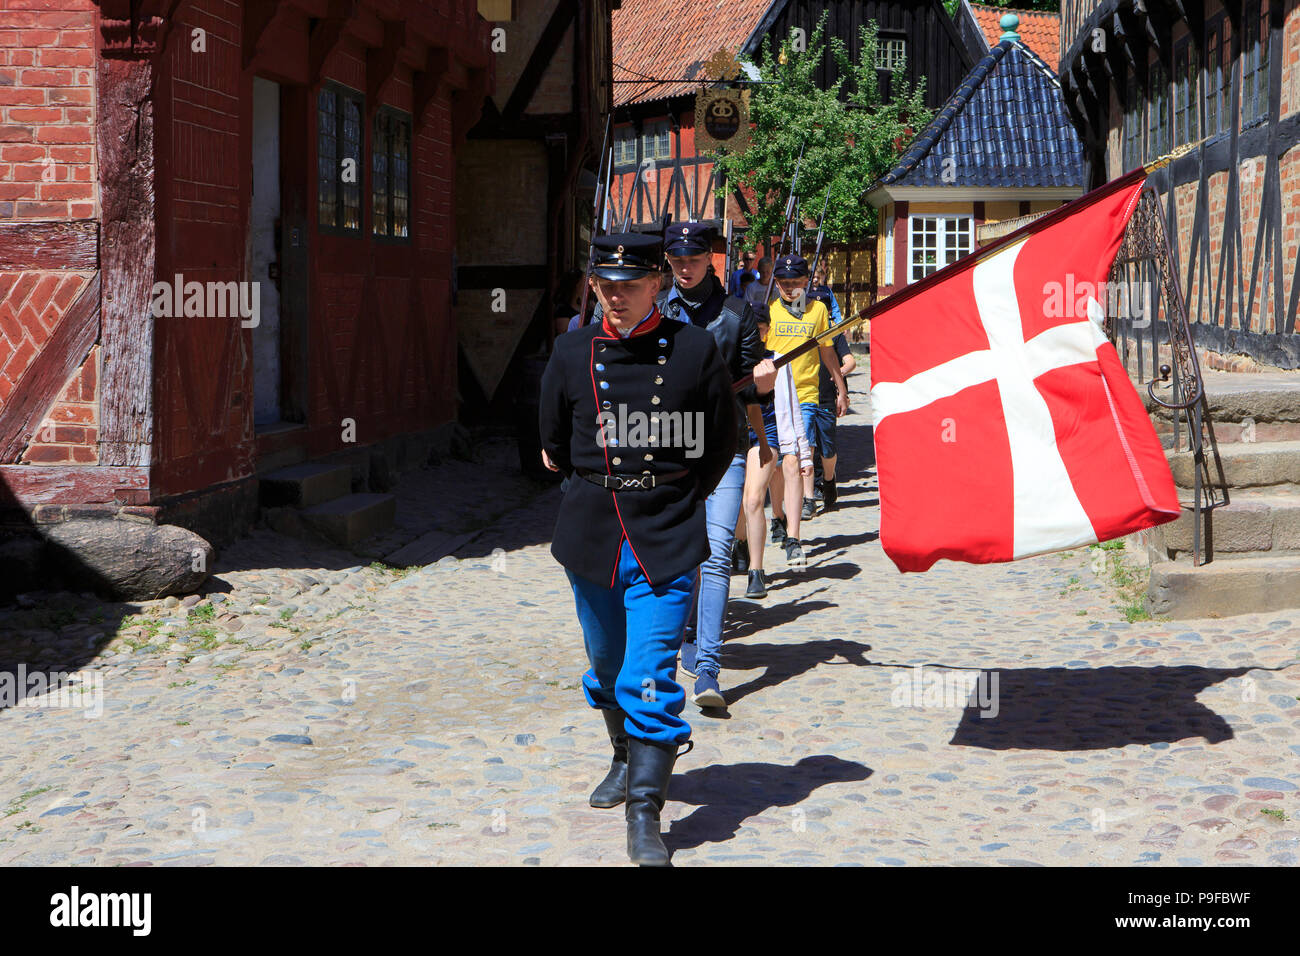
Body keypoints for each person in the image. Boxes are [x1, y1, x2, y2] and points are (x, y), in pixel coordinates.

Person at [538, 232, 738, 867]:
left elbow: (717, 446)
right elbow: (551, 446)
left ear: (659, 283)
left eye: (629, 285)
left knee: (647, 676)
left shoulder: (695, 349)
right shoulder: (572, 352)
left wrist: (671, 498)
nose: (615, 297)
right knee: (605, 668)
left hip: (665, 533)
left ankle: (645, 812)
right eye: (605, 285)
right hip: (592, 533)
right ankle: (624, 757)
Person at [658, 222, 775, 711]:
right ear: (669, 262)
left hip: (722, 448)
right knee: (676, 555)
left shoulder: (737, 313)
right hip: (667, 449)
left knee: (717, 552)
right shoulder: (656, 309)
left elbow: (751, 386)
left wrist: (763, 383)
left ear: (712, 260)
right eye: (677, 260)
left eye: (694, 259)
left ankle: (708, 666)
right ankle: (676, 643)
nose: (685, 268)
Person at [763, 254, 849, 554]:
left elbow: (828, 353)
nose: (790, 289)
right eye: (784, 284)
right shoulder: (769, 310)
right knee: (774, 463)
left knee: (799, 459)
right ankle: (777, 515)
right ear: (776, 283)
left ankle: (794, 533)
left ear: (806, 282)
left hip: (806, 394)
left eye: (796, 283)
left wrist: (840, 388)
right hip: (773, 396)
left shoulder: (819, 310)